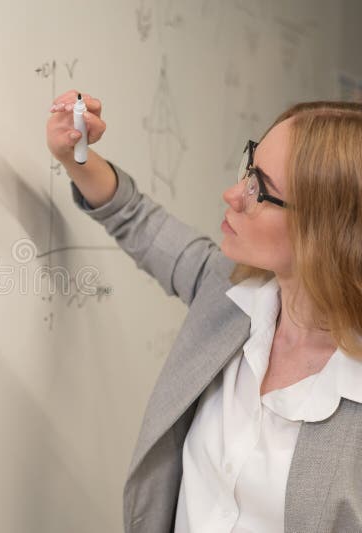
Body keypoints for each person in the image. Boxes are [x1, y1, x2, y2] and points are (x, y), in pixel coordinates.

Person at [46, 91, 362, 533]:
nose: (233, 194)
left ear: (325, 229)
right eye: (248, 170)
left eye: (259, 190)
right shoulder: (229, 298)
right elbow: (137, 219)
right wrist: (76, 157)